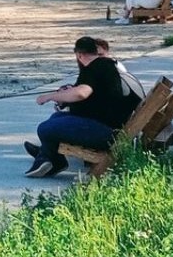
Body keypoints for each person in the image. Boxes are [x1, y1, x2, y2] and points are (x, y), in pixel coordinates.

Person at [23, 35, 143, 177]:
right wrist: (65, 97)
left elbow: (82, 93)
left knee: (45, 128)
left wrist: (49, 97)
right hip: (111, 125)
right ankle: (46, 155)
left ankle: (52, 160)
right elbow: (94, 96)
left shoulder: (93, 68)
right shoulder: (106, 65)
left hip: (106, 132)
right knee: (56, 116)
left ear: (79, 55)